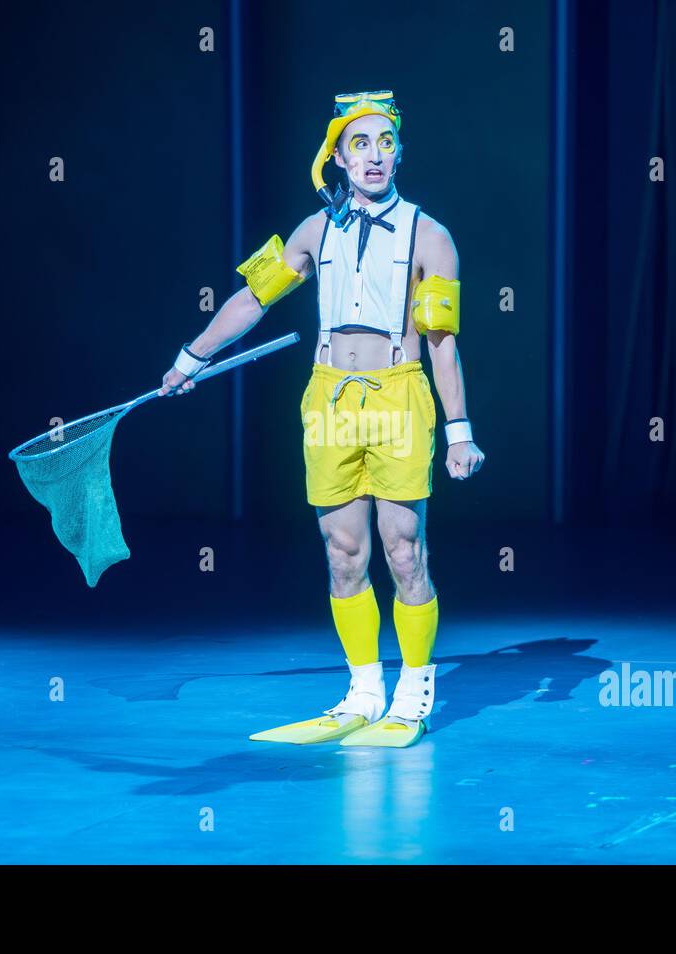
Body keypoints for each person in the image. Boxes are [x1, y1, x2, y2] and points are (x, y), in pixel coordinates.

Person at [160, 90, 484, 747]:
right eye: (360, 145)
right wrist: (191, 358)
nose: (374, 156)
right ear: (335, 157)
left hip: (398, 397)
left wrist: (459, 430)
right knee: (343, 554)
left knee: (403, 546)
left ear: (398, 153)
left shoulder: (431, 236)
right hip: (330, 401)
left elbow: (444, 341)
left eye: (385, 143)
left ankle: (414, 692)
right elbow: (253, 299)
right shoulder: (315, 231)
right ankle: (362, 692)